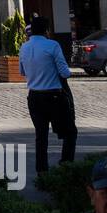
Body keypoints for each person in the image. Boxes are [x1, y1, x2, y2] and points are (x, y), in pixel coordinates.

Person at [19, 16, 76, 172]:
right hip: (54, 96)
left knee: (41, 136)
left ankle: (42, 170)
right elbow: (65, 73)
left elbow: (21, 71)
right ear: (47, 30)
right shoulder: (52, 45)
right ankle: (66, 165)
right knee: (70, 132)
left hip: (34, 97)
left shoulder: (24, 47)